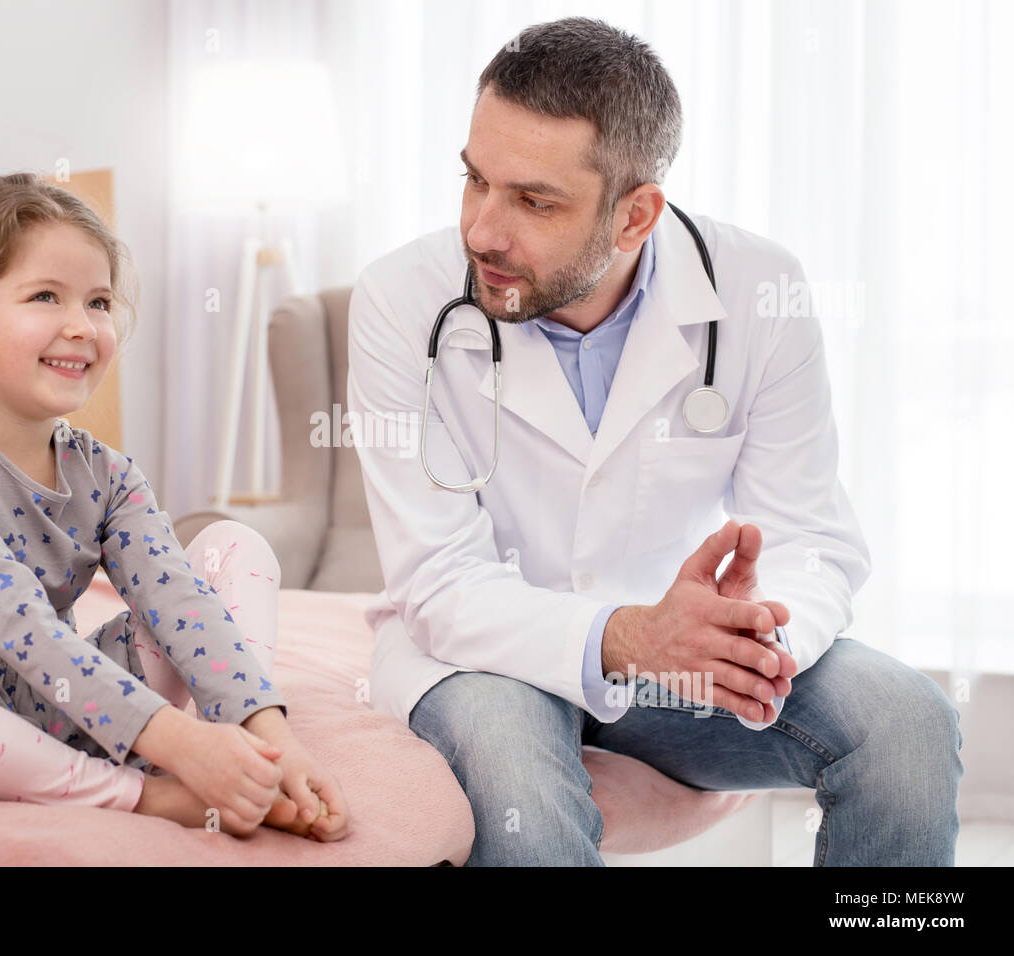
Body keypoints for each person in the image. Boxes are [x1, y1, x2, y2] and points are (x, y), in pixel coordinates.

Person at [346, 17, 960, 865]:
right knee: (513, 764)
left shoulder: (760, 290)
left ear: (635, 215)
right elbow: (439, 580)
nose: (482, 230)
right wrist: (631, 635)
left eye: (533, 200)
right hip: (483, 651)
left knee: (908, 722)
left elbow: (811, 535)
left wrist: (752, 634)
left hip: (675, 659)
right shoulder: (398, 300)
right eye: (475, 179)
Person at [0, 172, 348, 841]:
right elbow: (22, 627)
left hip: (72, 713)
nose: (82, 326)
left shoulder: (107, 474)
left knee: (234, 547)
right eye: (45, 296)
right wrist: (177, 745)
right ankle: (146, 799)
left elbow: (178, 599)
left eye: (98, 302)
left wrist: (270, 740)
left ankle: (237, 757)